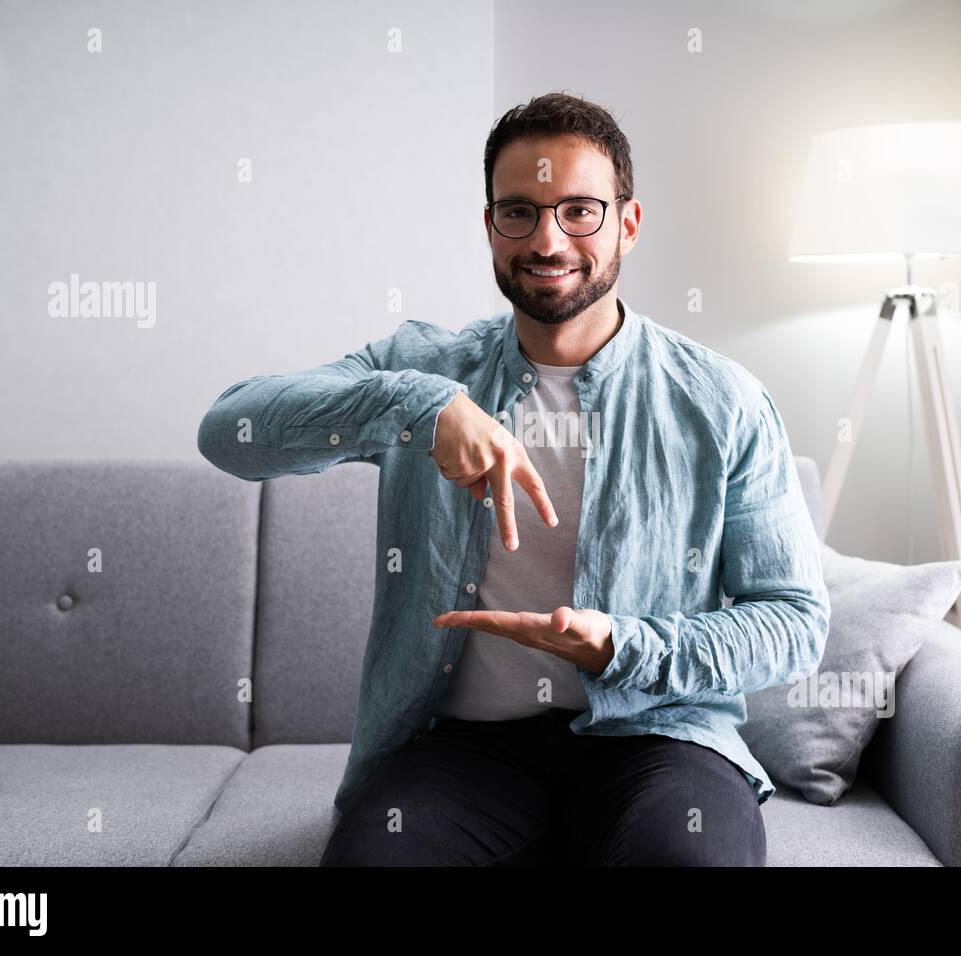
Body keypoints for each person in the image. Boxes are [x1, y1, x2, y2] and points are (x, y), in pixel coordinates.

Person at [196, 91, 830, 866]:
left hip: (658, 735)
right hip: (465, 748)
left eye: (580, 211)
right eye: (519, 212)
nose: (547, 238)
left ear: (628, 223)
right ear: (490, 225)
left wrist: (624, 648)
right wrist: (418, 406)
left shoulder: (722, 399)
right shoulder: (423, 368)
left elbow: (795, 621)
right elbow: (231, 431)